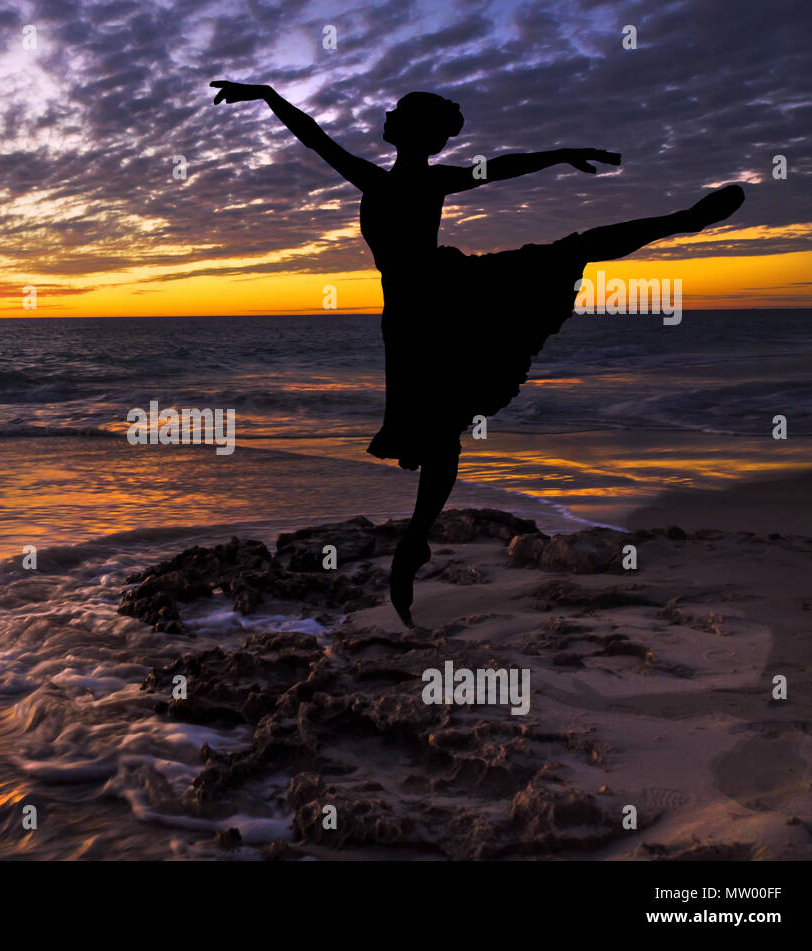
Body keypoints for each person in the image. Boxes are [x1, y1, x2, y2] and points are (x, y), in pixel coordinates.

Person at [210, 81, 745, 626]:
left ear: (411, 131)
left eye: (397, 111)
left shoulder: (384, 178)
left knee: (451, 417)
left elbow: (317, 138)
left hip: (430, 304)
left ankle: (415, 541)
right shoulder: (418, 178)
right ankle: (415, 542)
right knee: (449, 420)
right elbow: (493, 166)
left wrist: (267, 94)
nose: (387, 114)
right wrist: (266, 94)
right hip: (433, 303)